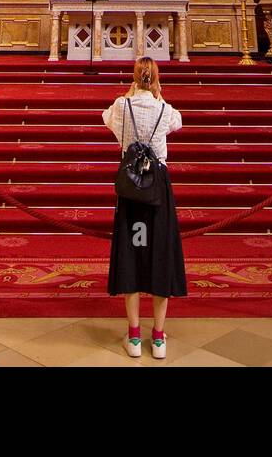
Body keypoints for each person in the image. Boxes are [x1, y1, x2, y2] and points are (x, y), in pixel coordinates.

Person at [103, 57, 186, 359]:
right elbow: (179, 121)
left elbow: (105, 118)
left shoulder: (121, 106)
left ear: (134, 79)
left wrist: (127, 96)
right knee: (159, 254)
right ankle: (159, 337)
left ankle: (134, 336)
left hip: (131, 187)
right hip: (157, 190)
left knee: (132, 254)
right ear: (156, 79)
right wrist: (158, 95)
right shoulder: (164, 109)